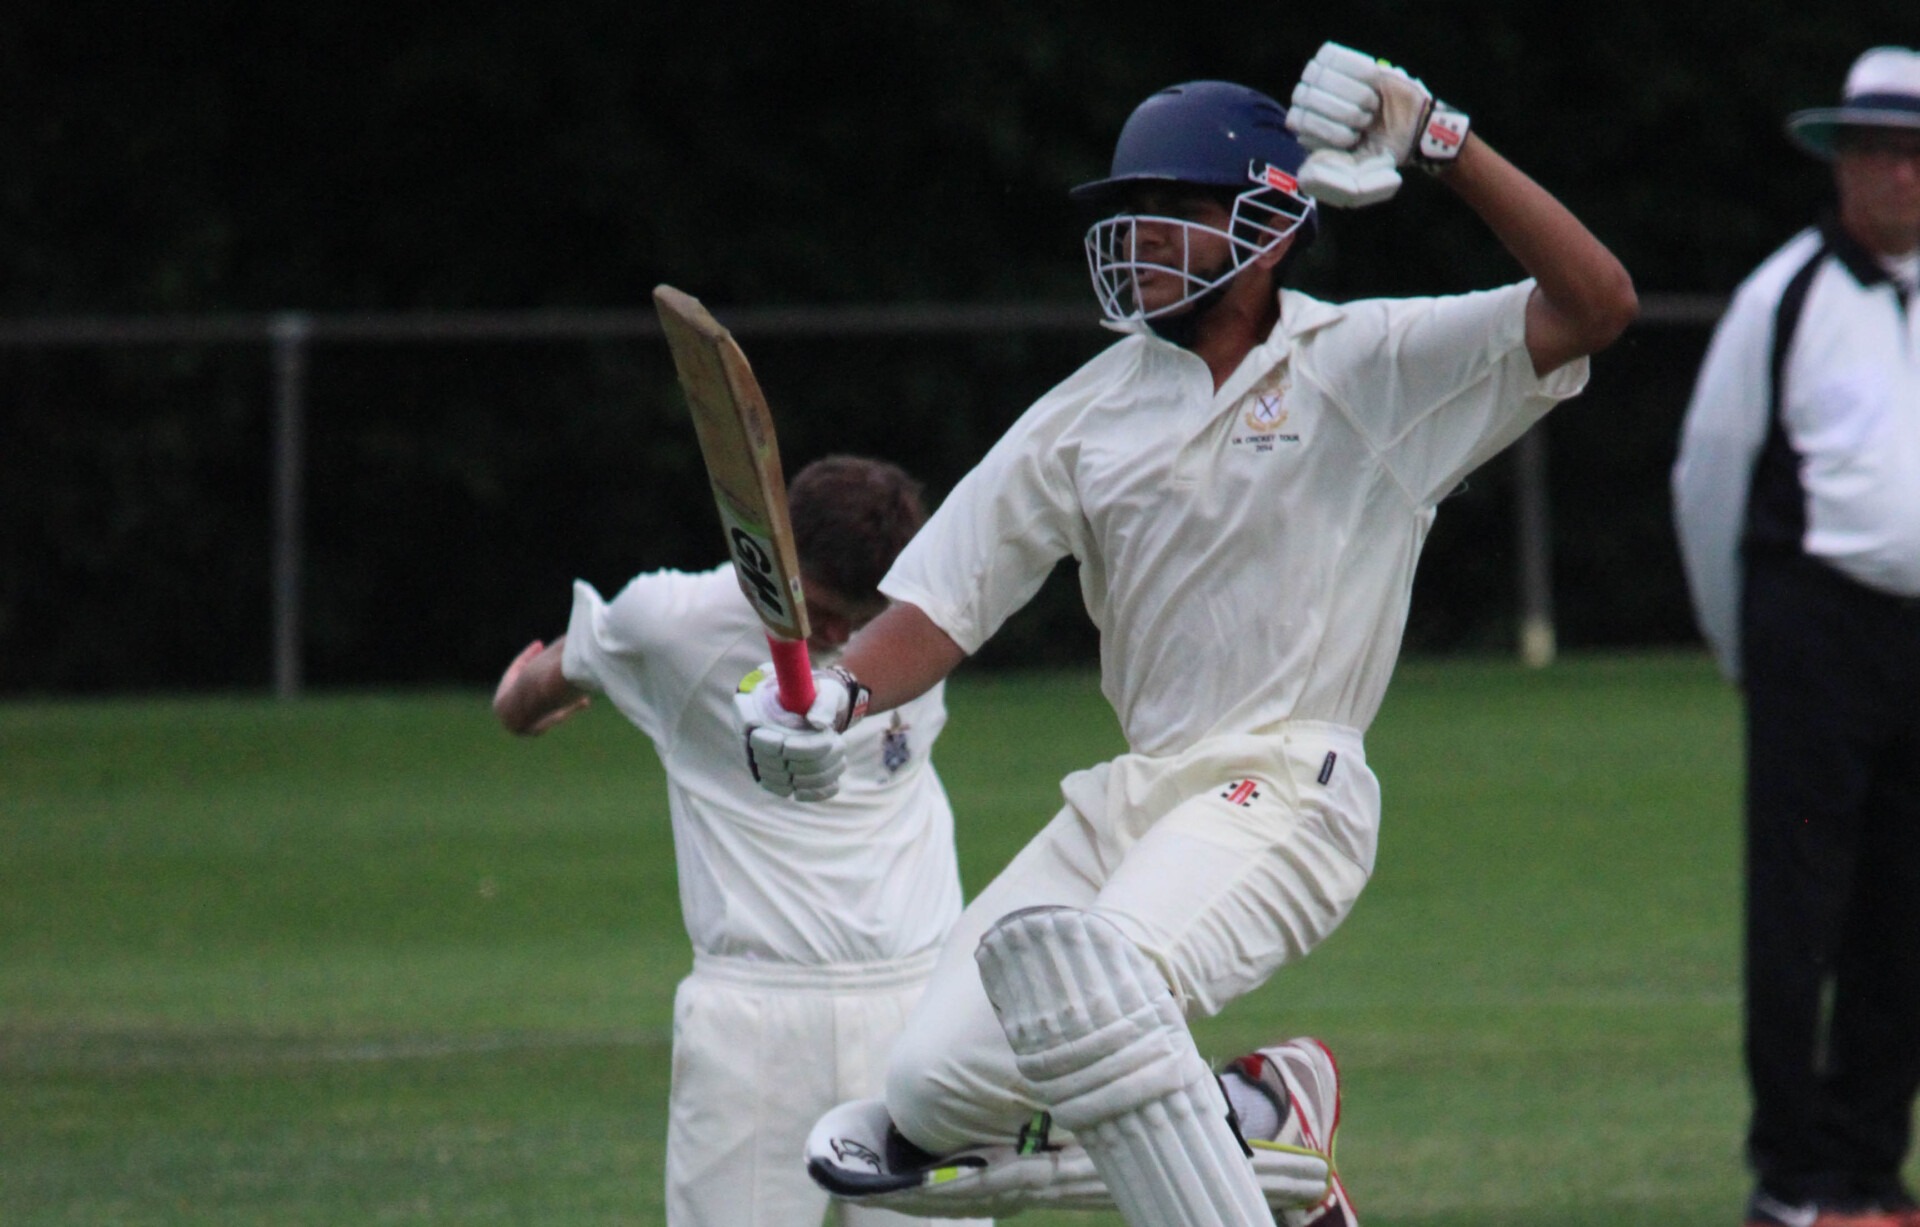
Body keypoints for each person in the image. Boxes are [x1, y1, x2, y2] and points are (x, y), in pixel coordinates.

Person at [737, 42, 1637, 1227]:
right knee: (926, 1090)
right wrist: (834, 699)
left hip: (1285, 788)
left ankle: (1229, 1126)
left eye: (1176, 211)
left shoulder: (1366, 367)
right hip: (1133, 798)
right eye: (1129, 214)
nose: (1142, 236)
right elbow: (942, 603)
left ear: (1271, 220)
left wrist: (1442, 141)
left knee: (1097, 994)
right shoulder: (1089, 413)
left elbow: (1597, 305)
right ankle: (1256, 1121)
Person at [491, 454, 988, 1227]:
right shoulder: (673, 621)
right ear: (775, 553)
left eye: (856, 619)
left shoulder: (918, 629)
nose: (833, 638)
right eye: (818, 608)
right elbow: (547, 680)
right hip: (757, 1018)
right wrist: (522, 702)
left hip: (919, 1009)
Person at [1672, 45, 1920, 1227]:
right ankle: (1793, 1175)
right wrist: (1745, 648)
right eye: (1880, 154)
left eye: (1918, 155)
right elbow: (1710, 477)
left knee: (1904, 912)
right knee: (1801, 911)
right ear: (1844, 167)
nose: (1902, 178)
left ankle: (1870, 1167)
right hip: (1815, 629)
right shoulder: (1786, 298)